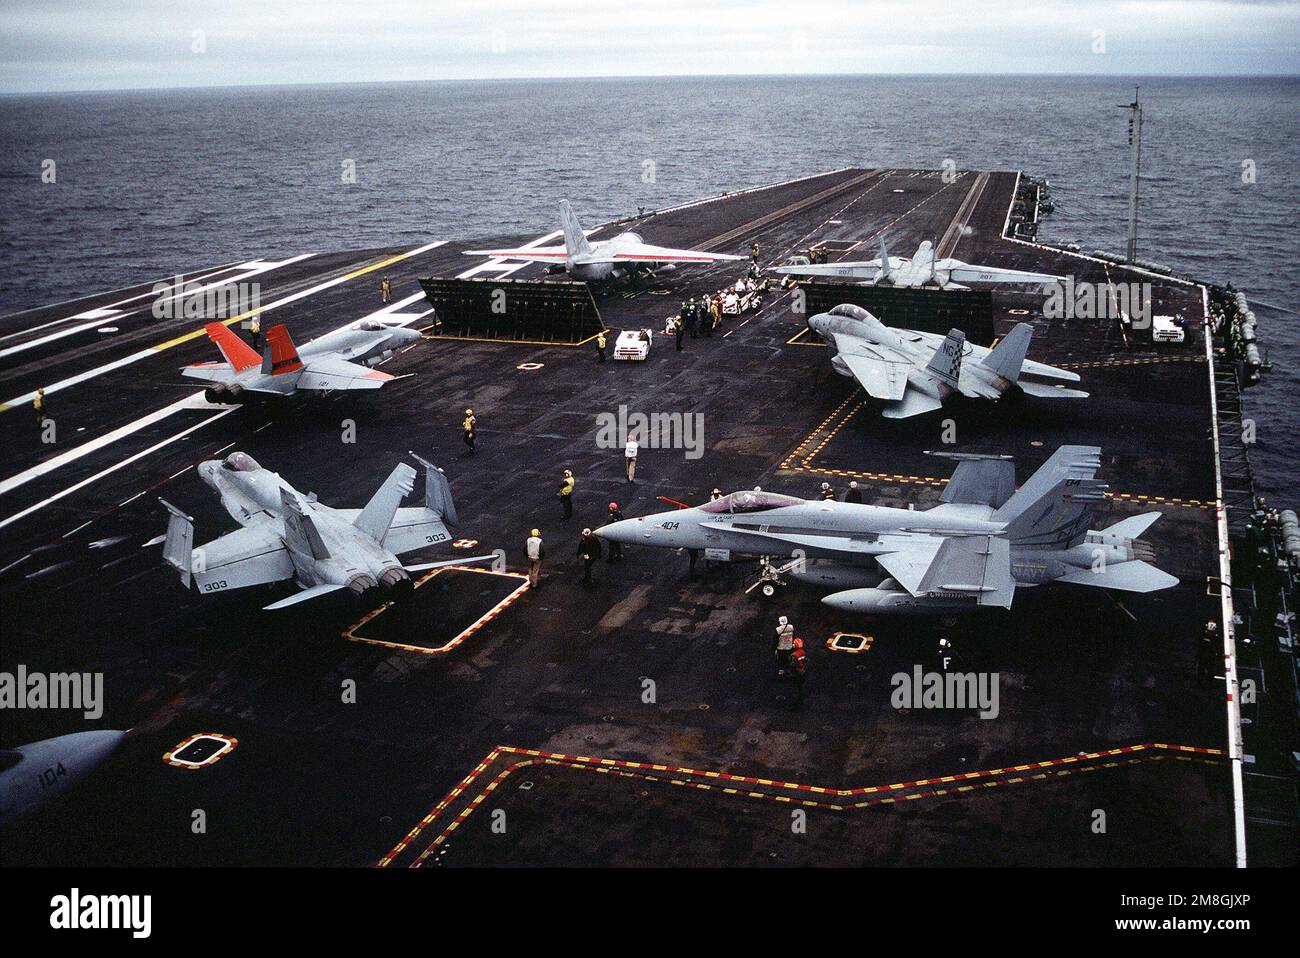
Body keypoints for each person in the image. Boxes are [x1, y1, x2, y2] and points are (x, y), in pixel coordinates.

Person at [790, 637, 807, 704]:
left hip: (797, 673)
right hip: (802, 671)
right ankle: (801, 698)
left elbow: (792, 665)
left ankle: (796, 701)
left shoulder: (794, 655)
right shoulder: (803, 652)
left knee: (795, 687)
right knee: (801, 686)